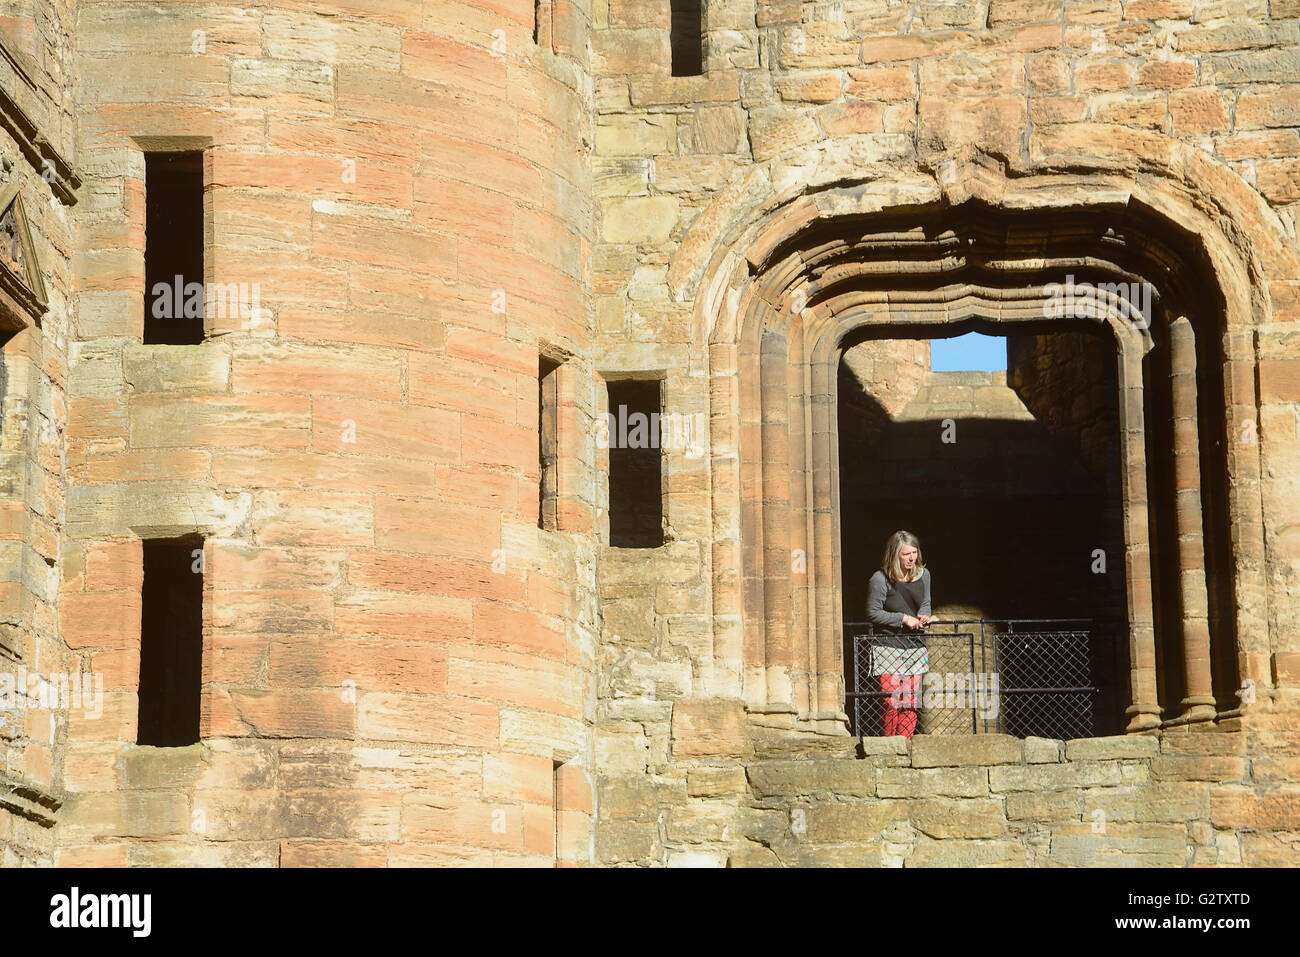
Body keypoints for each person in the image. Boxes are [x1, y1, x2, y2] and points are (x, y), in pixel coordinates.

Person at [866, 530, 933, 738]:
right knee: (890, 701)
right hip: (887, 645)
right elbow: (873, 612)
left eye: (914, 552)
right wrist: (903, 619)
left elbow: (925, 603)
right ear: (895, 555)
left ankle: (904, 744)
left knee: (910, 703)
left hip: (914, 646)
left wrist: (923, 616)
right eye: (906, 554)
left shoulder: (924, 575)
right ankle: (889, 744)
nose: (912, 558)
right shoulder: (880, 579)